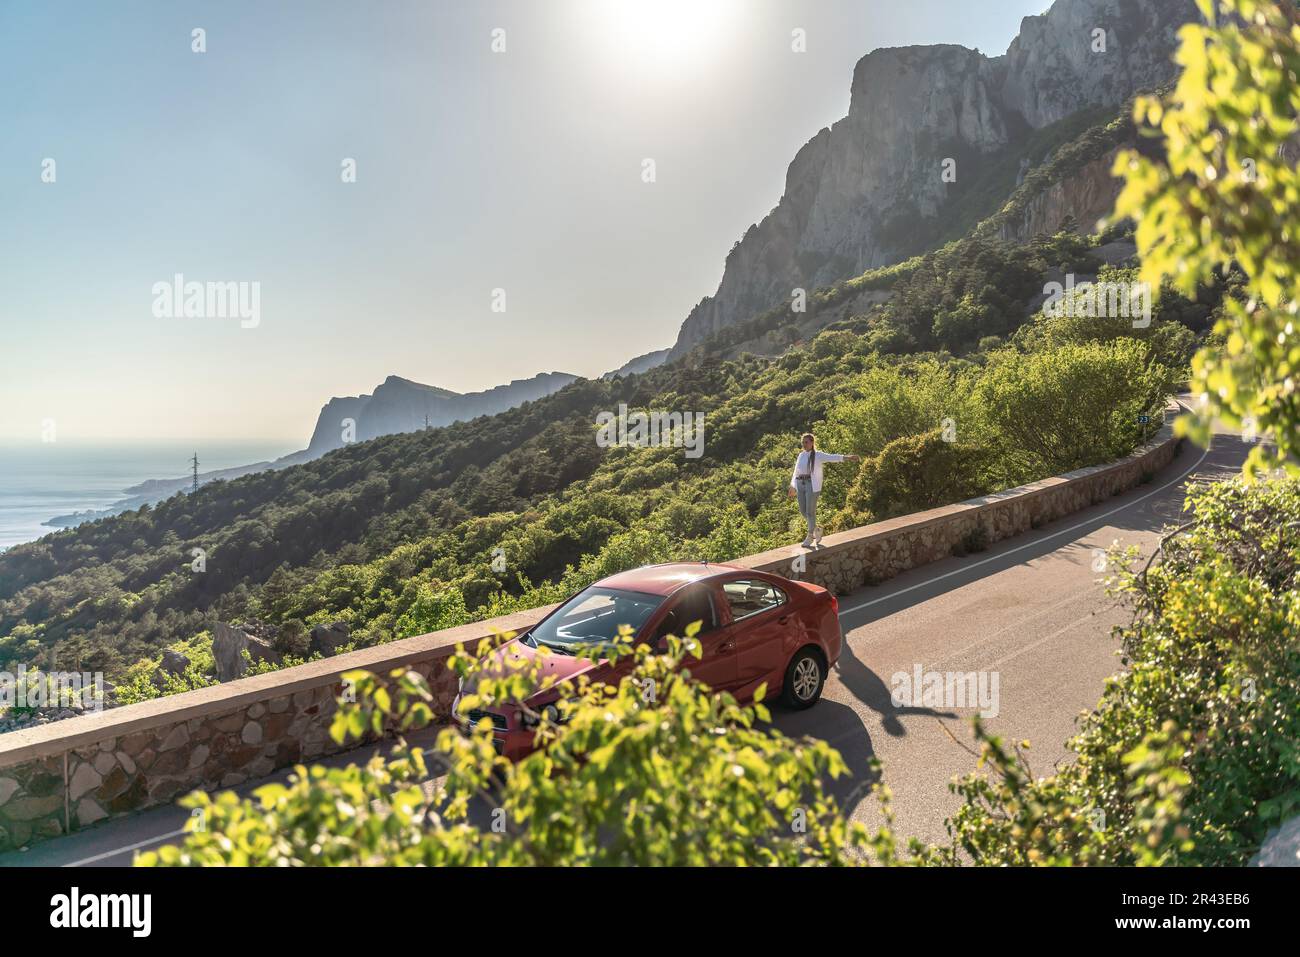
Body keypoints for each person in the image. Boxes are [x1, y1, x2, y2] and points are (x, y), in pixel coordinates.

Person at [787, 432, 859, 548]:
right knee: (803, 511)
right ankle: (817, 530)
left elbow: (832, 457)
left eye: (806, 442)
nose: (804, 445)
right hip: (800, 483)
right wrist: (792, 486)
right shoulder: (801, 455)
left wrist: (848, 457)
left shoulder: (818, 455)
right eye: (803, 442)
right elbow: (796, 471)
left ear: (812, 442)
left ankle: (810, 536)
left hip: (812, 484)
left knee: (810, 511)